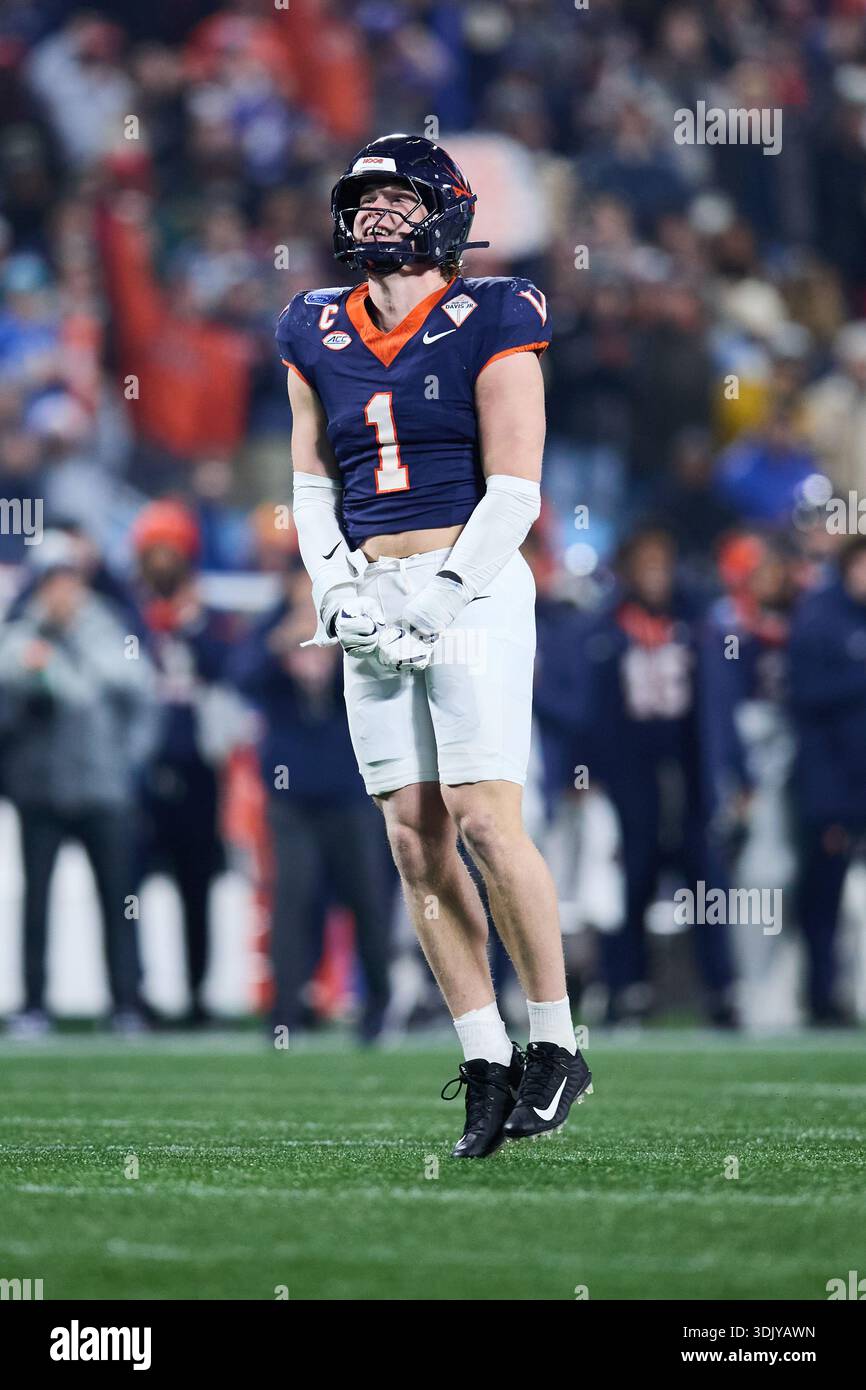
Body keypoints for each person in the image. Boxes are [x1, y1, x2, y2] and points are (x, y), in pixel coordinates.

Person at [276, 133, 592, 1158]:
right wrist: (338, 588)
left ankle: (556, 1040)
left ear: (446, 213)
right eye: (360, 199)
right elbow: (310, 483)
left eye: (395, 198)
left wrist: (446, 593)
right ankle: (484, 1053)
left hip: (476, 582)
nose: (372, 213)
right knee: (411, 834)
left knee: (482, 817)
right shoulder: (310, 322)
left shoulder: (497, 309)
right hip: (374, 586)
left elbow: (515, 488)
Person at [229, 554, 393, 1043]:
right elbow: (240, 678)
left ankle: (377, 1009)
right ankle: (285, 1011)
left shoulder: (360, 618)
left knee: (367, 900)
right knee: (292, 902)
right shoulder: (270, 629)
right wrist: (282, 643)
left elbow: (388, 674)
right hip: (292, 796)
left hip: (351, 788)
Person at [0, 531, 155, 1035]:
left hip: (103, 788)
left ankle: (126, 1002)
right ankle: (34, 1004)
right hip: (40, 789)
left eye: (67, 579)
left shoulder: (108, 628)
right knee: (37, 901)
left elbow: (138, 696)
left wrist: (127, 764)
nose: (60, 591)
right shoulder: (21, 635)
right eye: (51, 581)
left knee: (119, 900)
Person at [787, 534, 866, 1024]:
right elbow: (805, 693)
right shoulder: (818, 618)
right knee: (824, 895)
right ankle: (821, 995)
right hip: (833, 785)